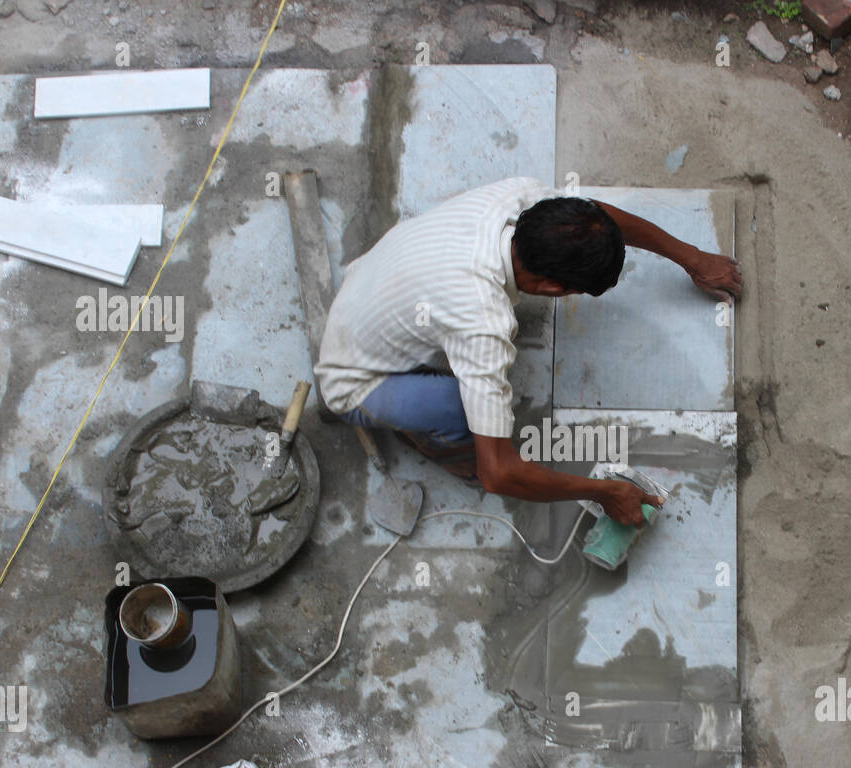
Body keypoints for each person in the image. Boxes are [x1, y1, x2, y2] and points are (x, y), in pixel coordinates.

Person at [314, 176, 742, 526]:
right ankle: (432, 443)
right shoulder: (482, 322)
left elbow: (598, 219)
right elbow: (498, 474)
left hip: (366, 290)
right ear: (554, 289)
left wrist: (690, 257)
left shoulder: (520, 199)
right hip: (353, 380)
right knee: (465, 419)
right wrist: (605, 493)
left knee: (470, 381)